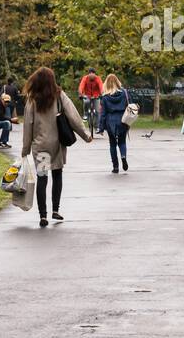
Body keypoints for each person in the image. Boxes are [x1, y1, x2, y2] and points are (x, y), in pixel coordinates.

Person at [22, 66, 93, 227]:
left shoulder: (32, 99)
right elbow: (73, 117)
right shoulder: (59, 95)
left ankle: (43, 215)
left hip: (40, 146)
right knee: (57, 175)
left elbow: (28, 125)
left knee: (42, 178)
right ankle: (55, 209)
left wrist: (25, 149)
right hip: (57, 144)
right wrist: (85, 135)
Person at [99, 73, 131, 174]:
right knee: (122, 142)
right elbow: (130, 105)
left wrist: (101, 127)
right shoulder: (124, 93)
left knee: (112, 144)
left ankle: (115, 167)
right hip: (123, 120)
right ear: (117, 82)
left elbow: (103, 114)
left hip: (110, 122)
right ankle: (123, 157)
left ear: (106, 84)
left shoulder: (105, 97)